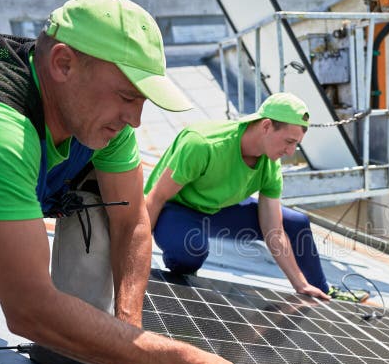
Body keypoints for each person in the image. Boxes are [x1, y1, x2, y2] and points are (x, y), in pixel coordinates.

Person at [0, 0, 241, 364]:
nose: (135, 120)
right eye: (126, 96)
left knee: (106, 194)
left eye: (142, 101)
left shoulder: (94, 116)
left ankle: (74, 346)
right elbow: (26, 307)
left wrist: (125, 335)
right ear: (63, 63)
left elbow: (132, 221)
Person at [144, 92, 368, 303]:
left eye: (296, 144)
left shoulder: (270, 163)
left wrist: (300, 284)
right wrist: (133, 259)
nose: (291, 152)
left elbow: (274, 229)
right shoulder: (203, 144)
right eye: (289, 142)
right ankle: (180, 284)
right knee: (191, 248)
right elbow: (155, 198)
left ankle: (321, 290)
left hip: (219, 209)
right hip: (177, 209)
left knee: (296, 223)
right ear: (267, 126)